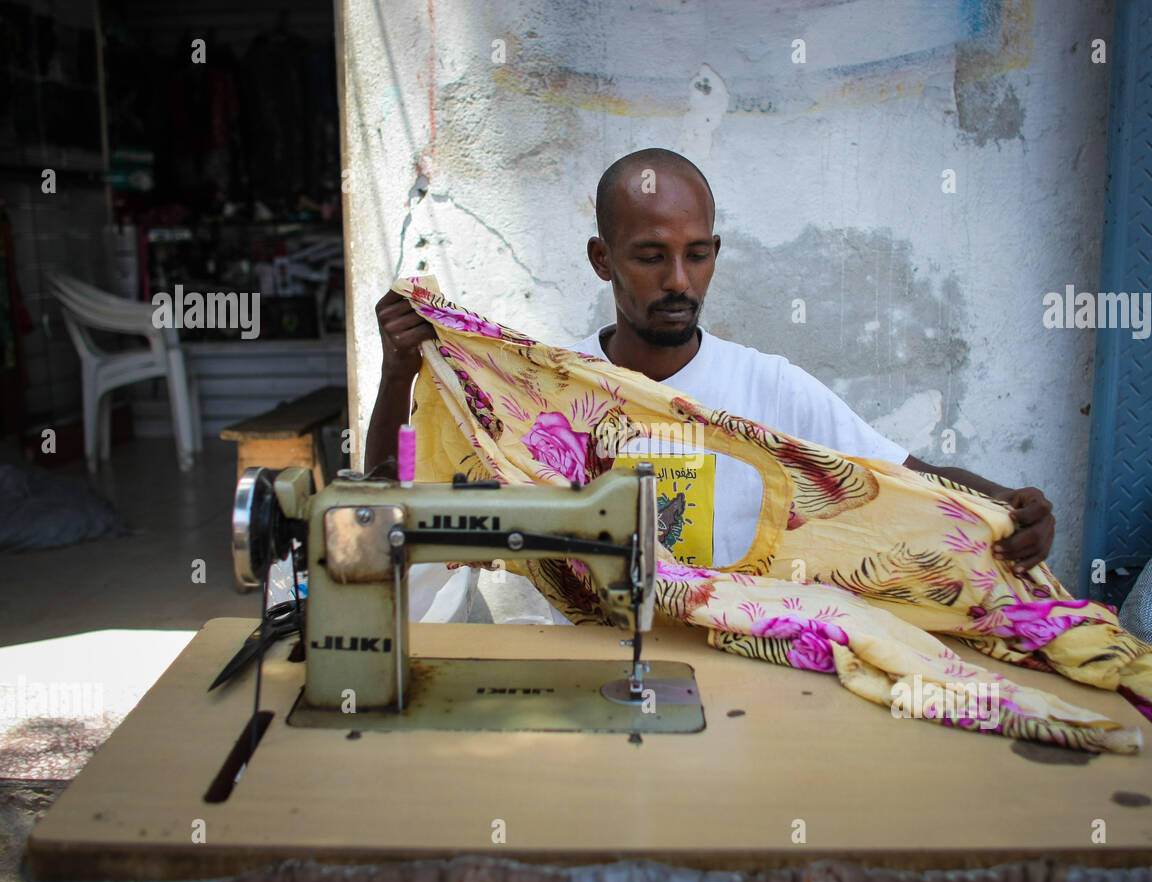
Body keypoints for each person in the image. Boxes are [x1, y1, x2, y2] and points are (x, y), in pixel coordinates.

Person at [366, 148, 1056, 620]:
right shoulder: (539, 399)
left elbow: (904, 477)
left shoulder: (770, 389)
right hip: (581, 671)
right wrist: (398, 377)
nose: (678, 281)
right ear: (601, 259)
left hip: (741, 681)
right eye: (650, 256)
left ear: (715, 253)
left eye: (697, 255)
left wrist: (1006, 507)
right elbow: (392, 508)